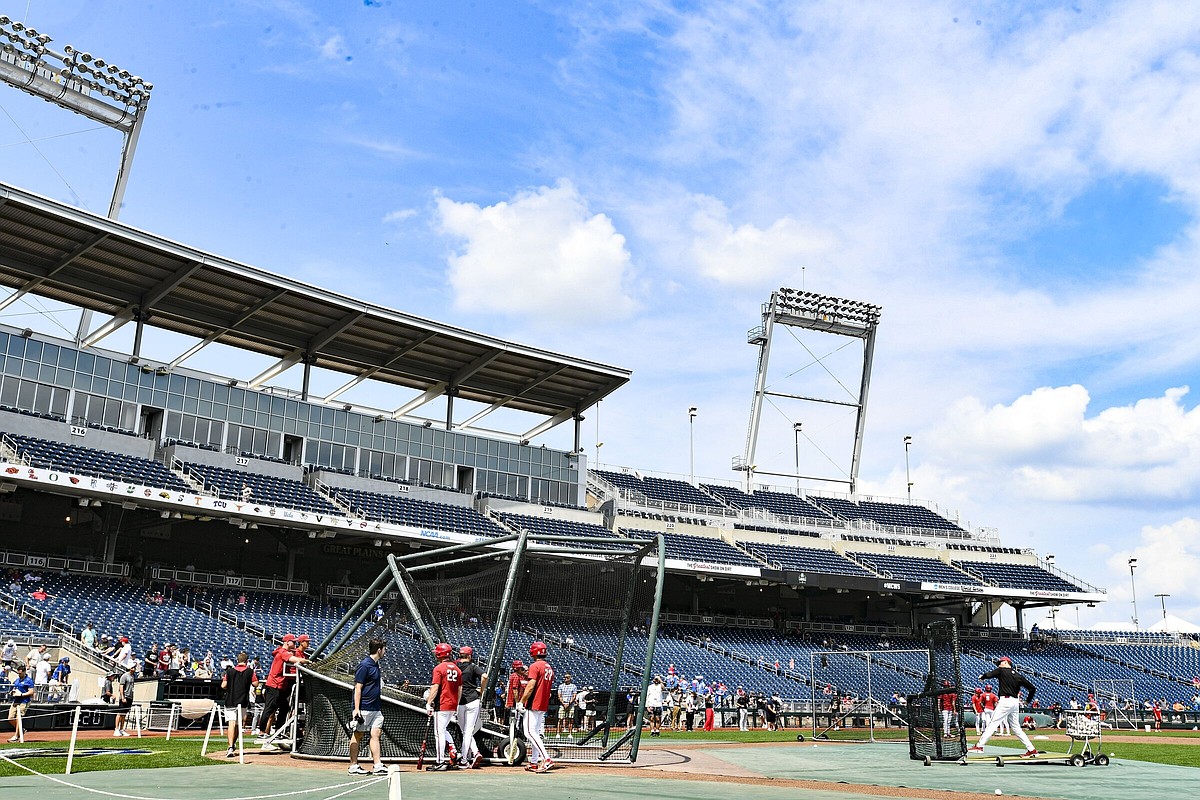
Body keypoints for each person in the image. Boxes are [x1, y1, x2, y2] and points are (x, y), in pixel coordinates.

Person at [968, 657, 1038, 757]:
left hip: (1005, 701)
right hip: (1014, 702)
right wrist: (1027, 701)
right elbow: (1032, 689)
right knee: (1016, 728)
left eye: (1000, 663)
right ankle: (1031, 750)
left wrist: (982, 677)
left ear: (1006, 662)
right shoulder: (1018, 675)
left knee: (993, 723)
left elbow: (989, 674)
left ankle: (979, 746)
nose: (999, 665)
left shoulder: (1002, 670)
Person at [348, 638, 387, 776]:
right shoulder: (365, 665)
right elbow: (358, 688)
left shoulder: (376, 665)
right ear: (378, 650)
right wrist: (356, 709)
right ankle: (353, 766)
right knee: (358, 735)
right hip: (364, 707)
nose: (385, 651)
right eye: (383, 649)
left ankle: (377, 765)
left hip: (376, 708)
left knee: (375, 734)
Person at [257, 634, 307, 738]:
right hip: (274, 685)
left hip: (280, 686)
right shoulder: (282, 652)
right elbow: (294, 659)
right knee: (269, 708)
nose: (295, 643)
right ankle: (261, 732)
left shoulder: (284, 651)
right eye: (293, 641)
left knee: (284, 707)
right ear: (287, 642)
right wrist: (306, 661)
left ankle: (278, 731)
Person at [518, 641, 555, 773]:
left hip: (533, 703)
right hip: (543, 704)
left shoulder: (535, 666)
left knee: (529, 732)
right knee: (536, 733)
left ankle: (546, 758)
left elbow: (531, 686)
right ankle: (534, 762)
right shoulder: (548, 666)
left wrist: (521, 701)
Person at [426, 641, 462, 771]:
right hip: (452, 704)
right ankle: (452, 747)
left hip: (442, 704)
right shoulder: (457, 669)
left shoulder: (439, 668)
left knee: (438, 732)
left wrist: (429, 703)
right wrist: (456, 704)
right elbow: (459, 689)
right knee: (443, 729)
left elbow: (435, 687)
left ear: (440, 654)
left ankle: (440, 761)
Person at [455, 645, 487, 769]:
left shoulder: (455, 667)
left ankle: (467, 757)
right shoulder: (472, 666)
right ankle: (471, 754)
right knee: (468, 731)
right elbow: (484, 676)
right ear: (469, 656)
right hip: (473, 700)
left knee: (464, 731)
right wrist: (482, 690)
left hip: (460, 701)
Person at [220, 652, 257, 757]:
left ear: (237, 660)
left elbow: (223, 685)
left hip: (230, 700)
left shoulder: (230, 671)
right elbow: (256, 683)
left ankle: (230, 746)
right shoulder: (250, 671)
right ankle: (233, 744)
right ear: (247, 661)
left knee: (231, 723)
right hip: (243, 701)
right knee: (238, 724)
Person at [7, 664, 33, 742]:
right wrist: (12, 692)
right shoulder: (17, 680)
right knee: (10, 718)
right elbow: (15, 688)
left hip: (24, 701)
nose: (19, 675)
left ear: (24, 672)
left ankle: (16, 736)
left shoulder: (29, 680)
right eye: (18, 673)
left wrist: (22, 694)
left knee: (19, 718)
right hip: (16, 700)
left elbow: (31, 692)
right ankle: (21, 730)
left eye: (20, 673)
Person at [113, 662, 137, 737]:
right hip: (125, 696)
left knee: (124, 714)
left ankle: (121, 729)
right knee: (120, 713)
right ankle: (116, 729)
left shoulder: (132, 676)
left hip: (130, 697)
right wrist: (122, 697)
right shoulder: (124, 676)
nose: (134, 669)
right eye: (133, 667)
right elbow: (121, 687)